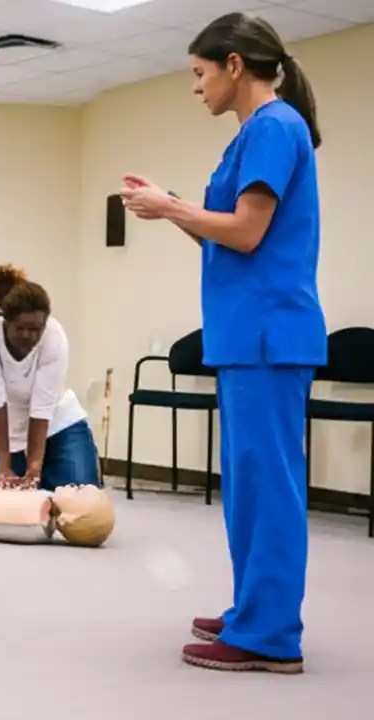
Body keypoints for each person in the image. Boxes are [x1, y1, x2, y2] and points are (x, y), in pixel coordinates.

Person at [119, 11, 324, 674]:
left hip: (270, 334)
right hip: (248, 337)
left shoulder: (274, 126)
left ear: (235, 65)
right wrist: (170, 204)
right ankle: (252, 611)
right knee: (247, 486)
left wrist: (172, 208)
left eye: (200, 73)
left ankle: (270, 635)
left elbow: (246, 233)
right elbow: (225, 230)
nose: (196, 86)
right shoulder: (252, 134)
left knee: (270, 488)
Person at [0, 264, 100, 491]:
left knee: (80, 500)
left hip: (58, 424)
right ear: (5, 321)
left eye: (35, 329)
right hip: (8, 428)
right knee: (5, 501)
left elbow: (42, 407)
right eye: (20, 328)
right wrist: (3, 467)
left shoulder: (54, 336)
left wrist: (34, 468)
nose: (27, 335)